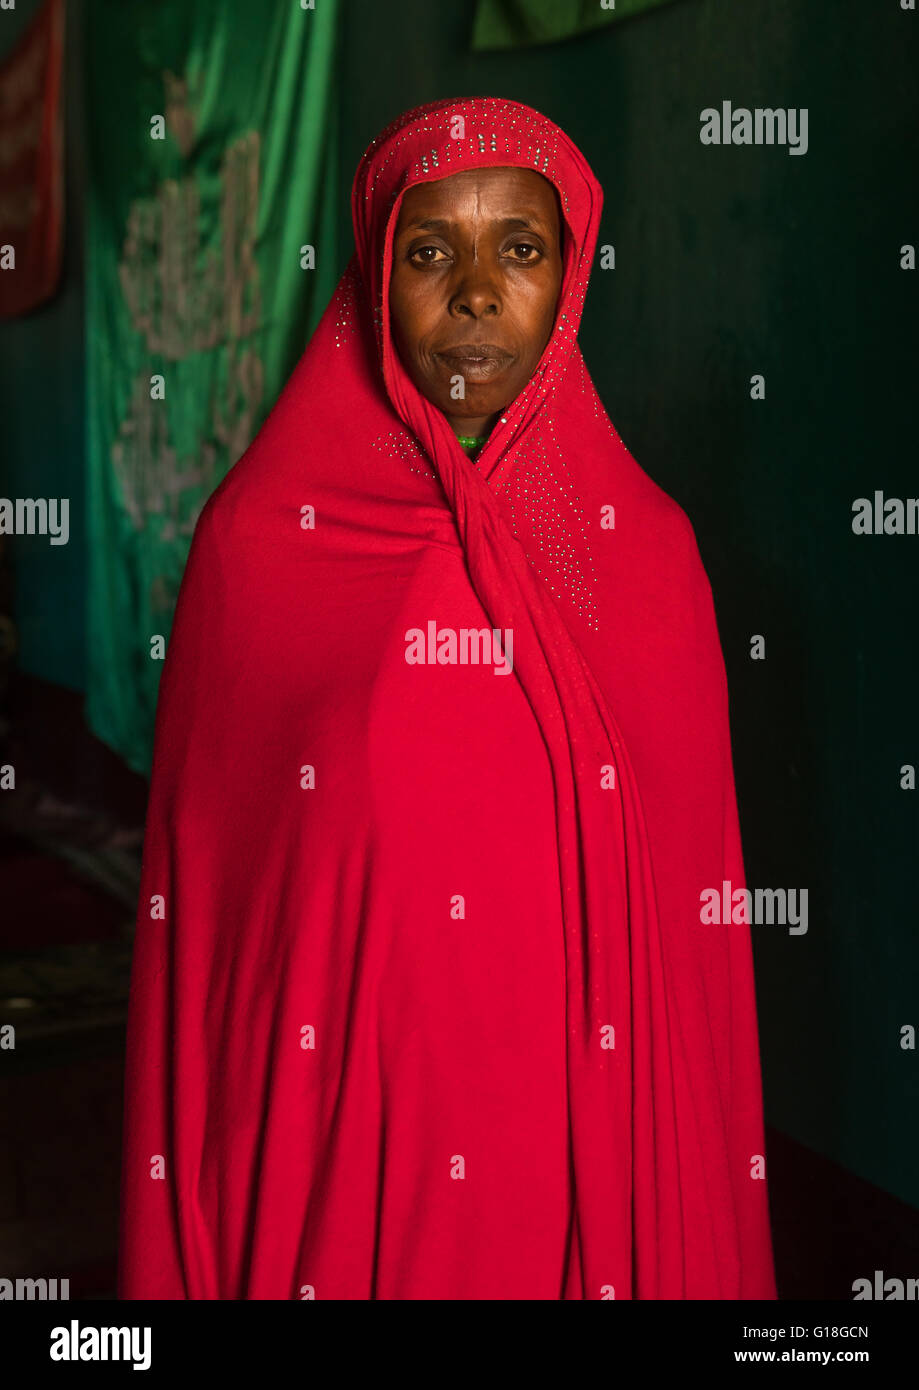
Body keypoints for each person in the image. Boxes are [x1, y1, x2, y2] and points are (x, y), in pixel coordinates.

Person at [118, 96, 777, 1300]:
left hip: (584, 1157)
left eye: (517, 249)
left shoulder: (644, 559)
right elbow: (213, 948)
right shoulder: (263, 547)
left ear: (568, 278)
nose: (475, 293)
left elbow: (698, 980)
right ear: (374, 282)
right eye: (430, 252)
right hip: (351, 1161)